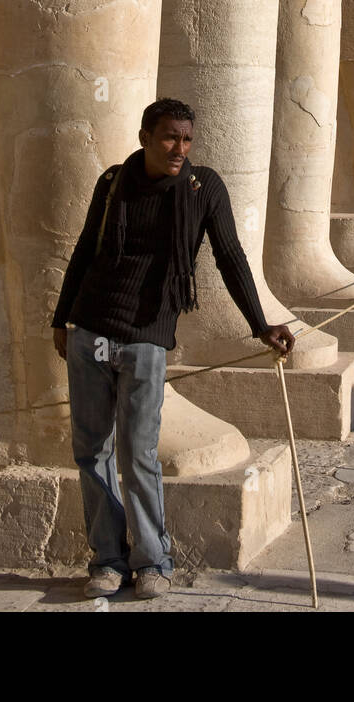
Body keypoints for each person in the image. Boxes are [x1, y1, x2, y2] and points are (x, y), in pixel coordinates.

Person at [52, 97, 295, 600]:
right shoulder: (113, 182)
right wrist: (62, 319)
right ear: (145, 136)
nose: (179, 148)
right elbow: (85, 249)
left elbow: (230, 256)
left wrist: (259, 324)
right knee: (91, 452)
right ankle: (107, 559)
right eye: (169, 137)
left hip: (147, 335)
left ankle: (152, 560)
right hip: (92, 328)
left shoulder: (203, 189)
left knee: (139, 453)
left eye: (186, 138)